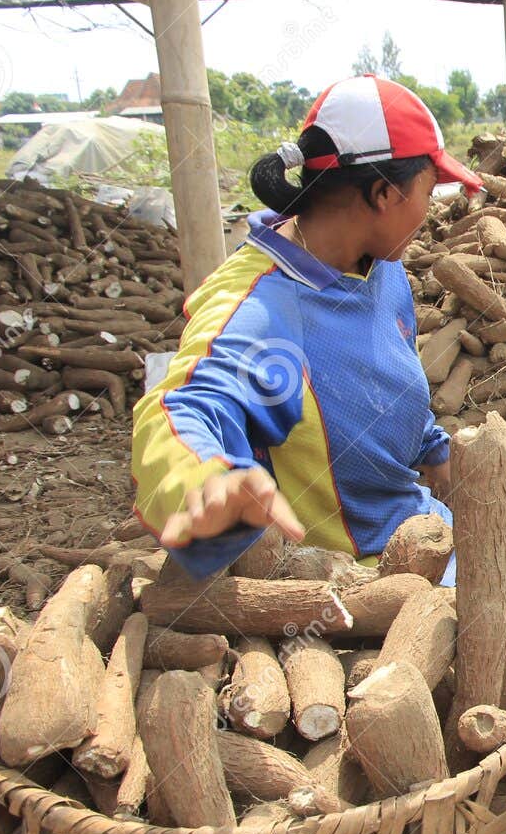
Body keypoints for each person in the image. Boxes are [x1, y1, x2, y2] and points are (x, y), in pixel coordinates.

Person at [132, 75, 481, 582]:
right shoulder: (260, 307)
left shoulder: (380, 266)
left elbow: (381, 383)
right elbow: (179, 409)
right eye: (429, 190)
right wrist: (204, 483)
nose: (430, 212)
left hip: (423, 527)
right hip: (355, 579)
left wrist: (434, 449)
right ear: (384, 193)